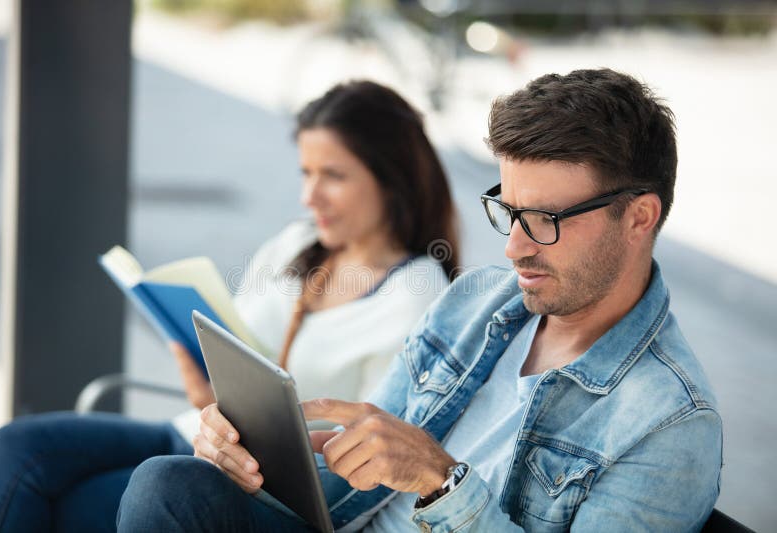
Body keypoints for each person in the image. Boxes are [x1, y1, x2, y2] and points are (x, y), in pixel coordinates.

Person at [116, 68, 723, 532]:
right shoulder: (479, 303)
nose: (513, 248)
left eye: (542, 218)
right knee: (170, 483)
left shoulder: (669, 422)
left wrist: (441, 480)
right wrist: (248, 447)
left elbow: (420, 467)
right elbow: (356, 457)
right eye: (509, 211)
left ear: (639, 217)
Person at [0, 80, 459, 533]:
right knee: (14, 448)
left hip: (257, 483)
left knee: (68, 502)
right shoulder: (298, 243)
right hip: (196, 435)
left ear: (391, 179)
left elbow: (374, 454)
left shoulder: (415, 296)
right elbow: (236, 348)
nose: (309, 196)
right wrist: (204, 389)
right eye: (306, 172)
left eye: (333, 175)